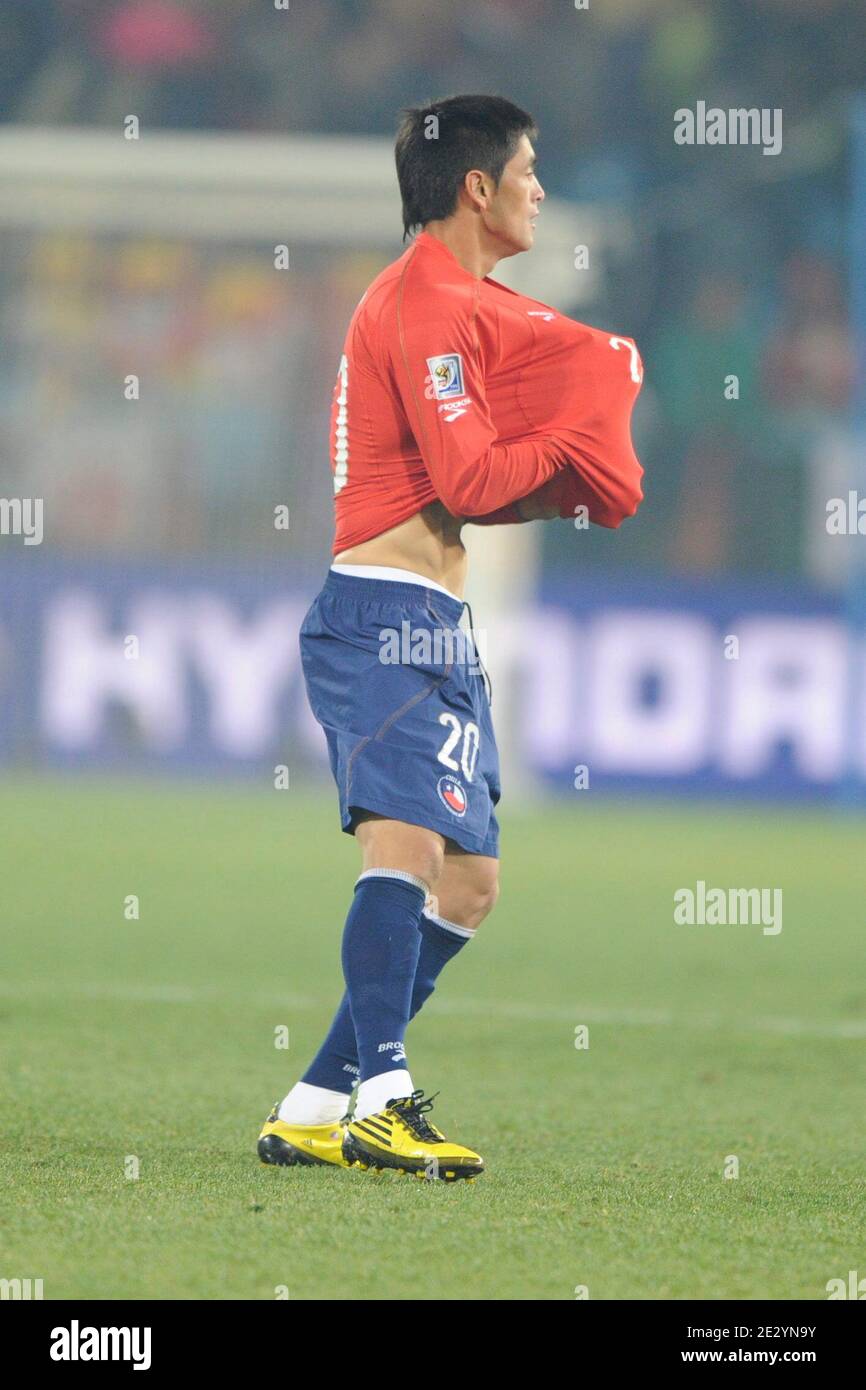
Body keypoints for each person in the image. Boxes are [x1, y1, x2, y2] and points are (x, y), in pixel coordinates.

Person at [258, 94, 644, 1181]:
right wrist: (569, 444)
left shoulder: (459, 303)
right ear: (477, 186)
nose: (539, 189)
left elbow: (461, 491)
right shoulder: (423, 302)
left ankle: (312, 1103)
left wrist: (571, 481)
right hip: (380, 617)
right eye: (528, 170)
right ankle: (384, 1097)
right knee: (408, 848)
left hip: (434, 623)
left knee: (468, 883)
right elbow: (470, 478)